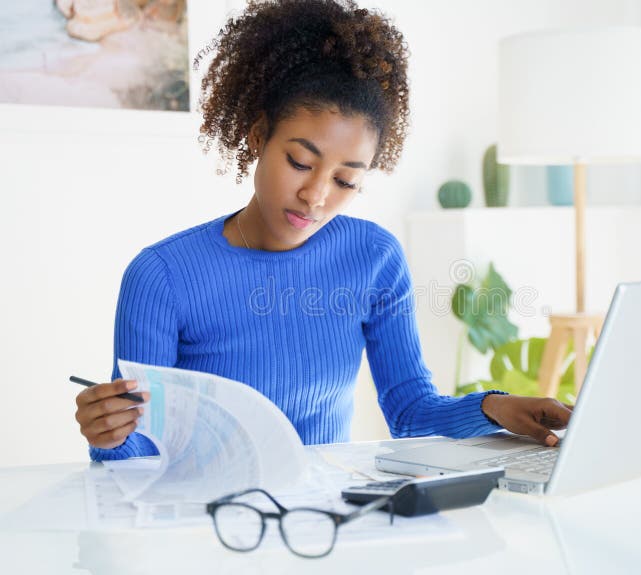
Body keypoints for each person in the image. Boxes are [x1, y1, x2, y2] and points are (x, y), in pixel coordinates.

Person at [74, 0, 572, 461]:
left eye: (345, 180)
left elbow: (410, 410)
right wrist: (111, 436)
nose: (316, 196)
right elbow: (137, 455)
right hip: (209, 533)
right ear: (257, 136)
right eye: (299, 162)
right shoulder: (162, 276)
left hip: (328, 527)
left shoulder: (374, 258)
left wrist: (493, 408)